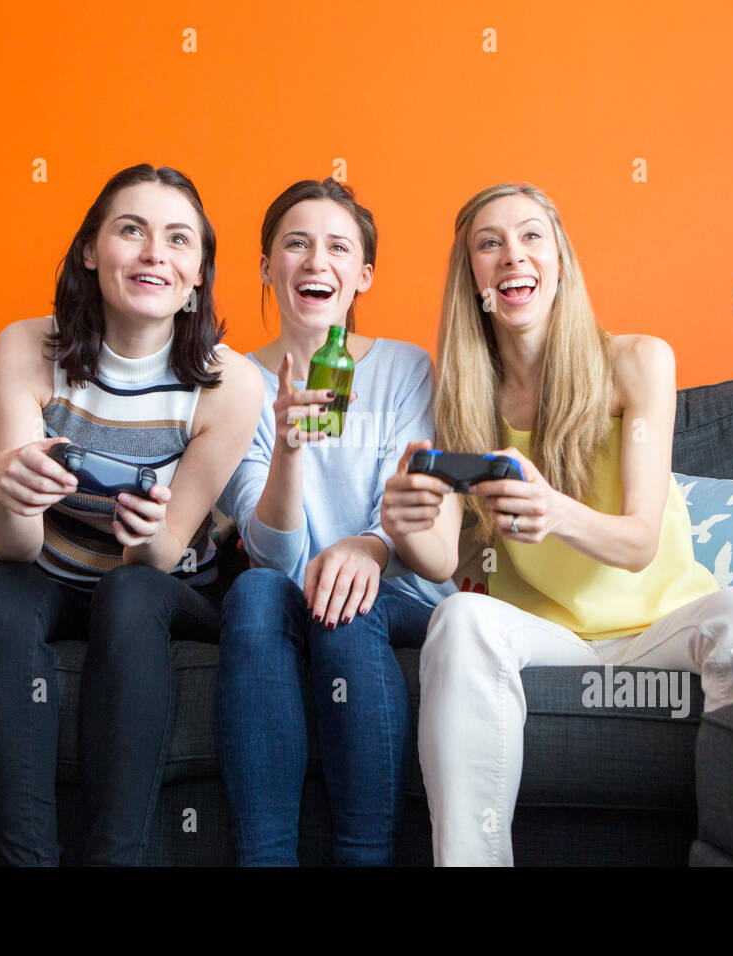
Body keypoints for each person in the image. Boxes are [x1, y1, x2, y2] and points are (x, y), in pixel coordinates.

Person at [380, 182, 733, 866]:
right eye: (489, 243)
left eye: (531, 236)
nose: (512, 254)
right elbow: (438, 561)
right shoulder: (463, 396)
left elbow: (638, 542)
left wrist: (555, 512)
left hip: (662, 629)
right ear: (473, 278)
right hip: (554, 640)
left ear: (560, 260)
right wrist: (402, 520)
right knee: (458, 617)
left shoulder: (638, 361)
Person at [0, 163, 263, 865]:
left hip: (161, 584)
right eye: (132, 230)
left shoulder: (231, 385)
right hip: (45, 568)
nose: (155, 252)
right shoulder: (26, 348)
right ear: (91, 251)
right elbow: (13, 549)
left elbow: (165, 554)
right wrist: (7, 491)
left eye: (178, 239)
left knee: (129, 589)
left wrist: (147, 534)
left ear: (197, 274)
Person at [214, 178, 456, 866]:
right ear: (267, 268)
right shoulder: (232, 382)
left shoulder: (406, 368)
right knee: (254, 591)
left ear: (363, 275)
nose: (316, 261)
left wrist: (368, 547)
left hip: (397, 596)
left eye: (338, 247)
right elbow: (271, 558)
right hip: (289, 595)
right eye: (296, 244)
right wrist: (288, 449)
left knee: (348, 608)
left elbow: (409, 510)